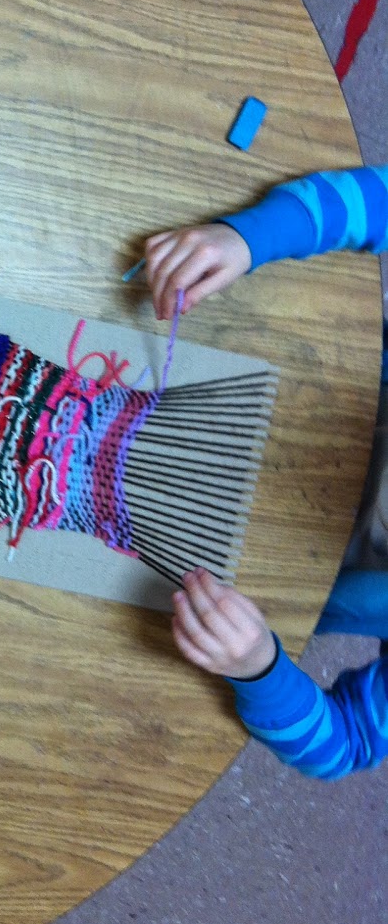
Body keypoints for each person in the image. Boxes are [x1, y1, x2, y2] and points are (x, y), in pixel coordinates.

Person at [144, 163, 388, 777]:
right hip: (303, 365)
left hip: (242, 571)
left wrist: (259, 665)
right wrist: (251, 238)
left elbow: (347, 745)